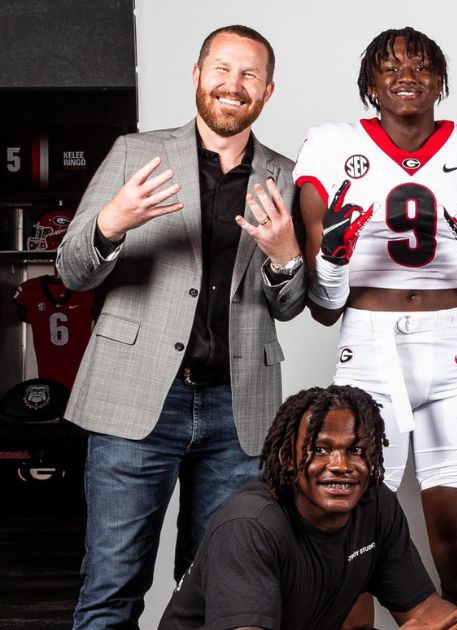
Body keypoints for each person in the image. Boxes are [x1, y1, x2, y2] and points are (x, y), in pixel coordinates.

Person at [55, 25, 305, 629]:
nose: (233, 84)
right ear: (197, 76)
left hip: (236, 410)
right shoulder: (134, 153)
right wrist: (111, 222)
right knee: (113, 583)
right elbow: (71, 270)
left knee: (219, 588)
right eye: (222, 69)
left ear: (268, 92)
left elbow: (294, 304)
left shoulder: (288, 175)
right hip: (136, 397)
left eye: (249, 75)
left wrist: (285, 258)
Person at [294, 27, 457, 615]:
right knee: (352, 539)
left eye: (420, 66)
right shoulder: (331, 143)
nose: (406, 76)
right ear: (370, 83)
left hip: (454, 346)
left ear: (440, 80)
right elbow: (322, 305)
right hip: (367, 344)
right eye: (390, 67)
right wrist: (335, 260)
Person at [157, 385, 457, 630]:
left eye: (357, 450)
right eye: (320, 449)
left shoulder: (376, 506)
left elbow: (423, 610)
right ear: (287, 457)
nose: (341, 466)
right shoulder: (250, 526)